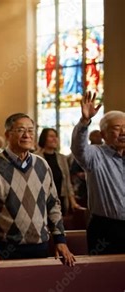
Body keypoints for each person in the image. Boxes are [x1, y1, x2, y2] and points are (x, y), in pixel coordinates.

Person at [0, 113, 75, 270]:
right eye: (21, 130)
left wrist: (60, 239)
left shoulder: (42, 165)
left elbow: (53, 204)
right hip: (5, 247)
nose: (27, 135)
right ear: (8, 134)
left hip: (40, 246)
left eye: (31, 130)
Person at [70, 91, 125, 254]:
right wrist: (85, 121)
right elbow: (78, 148)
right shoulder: (95, 155)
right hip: (106, 228)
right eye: (117, 128)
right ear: (103, 134)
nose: (123, 132)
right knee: (105, 276)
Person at [35, 128, 81, 214]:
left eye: (56, 137)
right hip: (41, 200)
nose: (55, 139)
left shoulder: (62, 158)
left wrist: (73, 202)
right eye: (51, 136)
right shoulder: (35, 157)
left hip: (60, 199)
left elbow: (67, 182)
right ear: (44, 138)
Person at [70, 129, 102, 208]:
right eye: (95, 136)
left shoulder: (105, 150)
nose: (97, 138)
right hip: (85, 187)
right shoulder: (85, 150)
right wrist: (82, 174)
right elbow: (74, 169)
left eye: (98, 136)